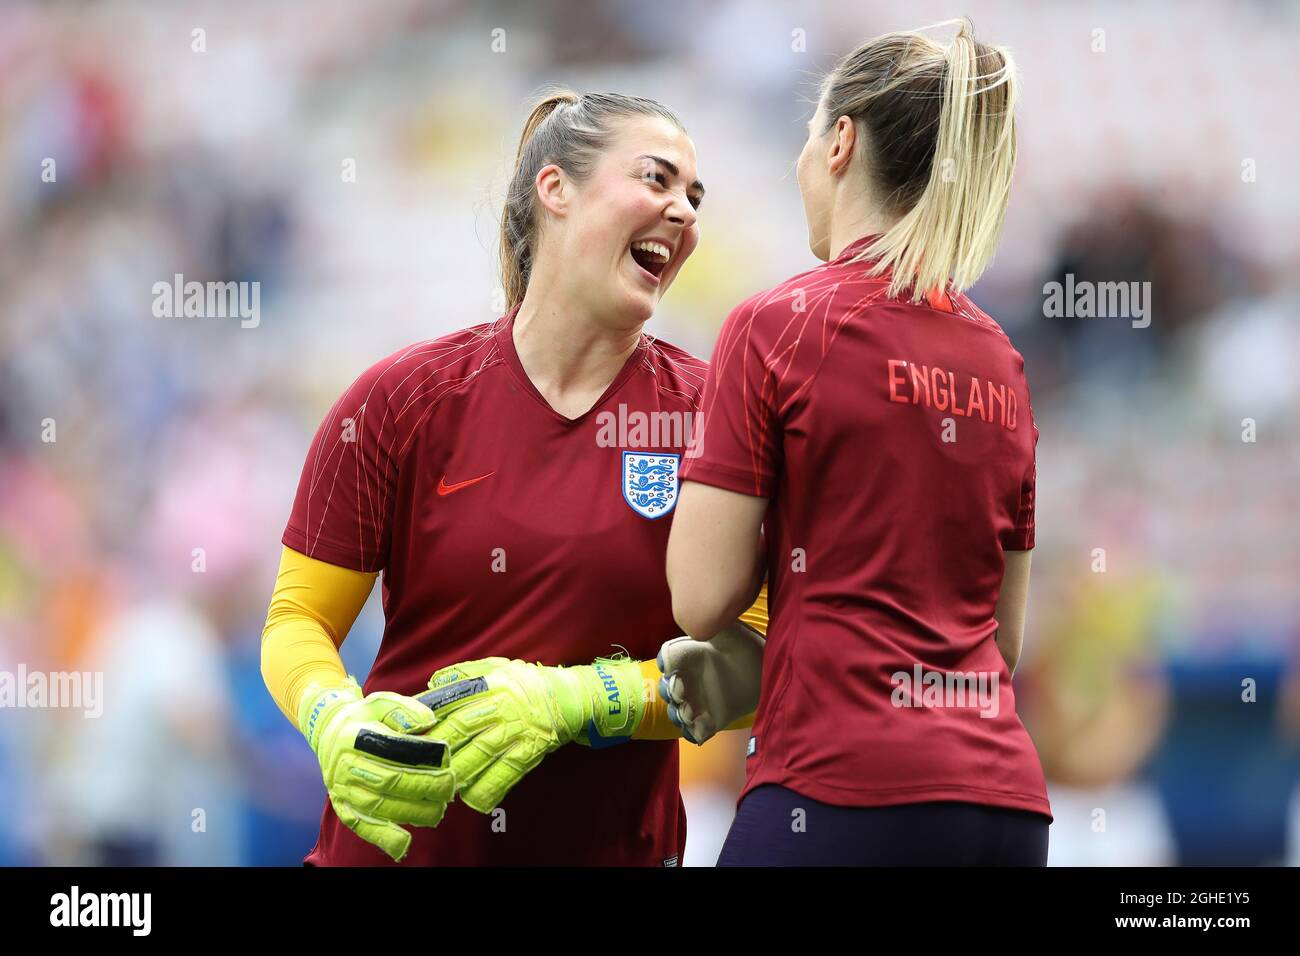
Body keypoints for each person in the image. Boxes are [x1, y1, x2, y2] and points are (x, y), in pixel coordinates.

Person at [261, 89, 764, 867]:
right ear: (555, 188)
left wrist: (583, 701)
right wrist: (333, 717)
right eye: (657, 180)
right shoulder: (399, 403)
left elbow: (760, 656)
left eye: (695, 198)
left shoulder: (713, 417)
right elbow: (298, 620)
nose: (685, 213)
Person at [665, 19, 1052, 865]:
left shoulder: (778, 325)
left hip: (836, 791)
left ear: (840, 142)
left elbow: (699, 596)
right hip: (1004, 808)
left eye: (808, 138)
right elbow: (1002, 638)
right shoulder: (1002, 358)